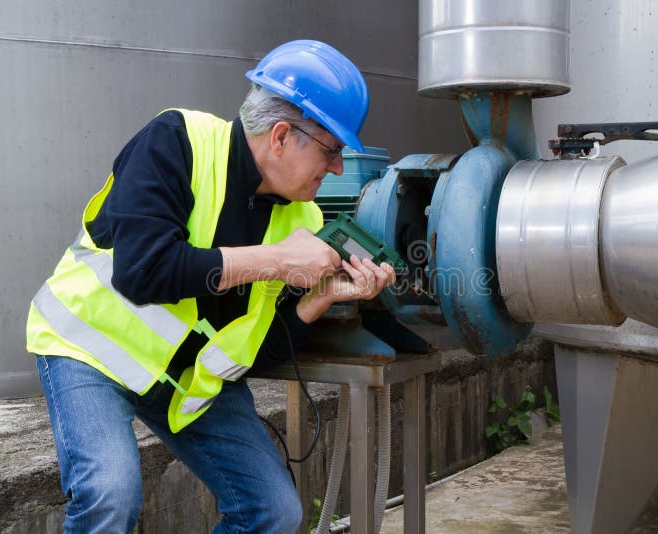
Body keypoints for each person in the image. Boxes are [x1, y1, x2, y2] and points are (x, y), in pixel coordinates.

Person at [25, 39, 396, 534]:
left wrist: (323, 296)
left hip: (182, 384)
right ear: (282, 135)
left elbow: (252, 350)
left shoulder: (301, 218)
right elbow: (143, 271)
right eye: (332, 151)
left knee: (274, 512)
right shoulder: (177, 141)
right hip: (89, 351)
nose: (337, 169)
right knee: (109, 495)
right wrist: (278, 261)